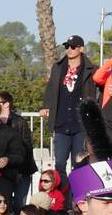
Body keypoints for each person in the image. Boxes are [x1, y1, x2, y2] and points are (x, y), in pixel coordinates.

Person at [40, 34, 98, 175]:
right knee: (59, 163)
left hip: (81, 124)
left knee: (78, 163)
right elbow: (51, 88)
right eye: (67, 46)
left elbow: (99, 89)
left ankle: (76, 196)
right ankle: (63, 195)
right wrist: (45, 106)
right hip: (61, 123)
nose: (69, 49)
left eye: (73, 47)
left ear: (81, 49)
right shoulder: (58, 67)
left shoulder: (91, 69)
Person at [0, 92, 37, 209]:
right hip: (2, 171)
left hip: (21, 171)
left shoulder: (20, 122)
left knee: (19, 204)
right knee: (3, 203)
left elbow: (27, 148)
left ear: (6, 104)